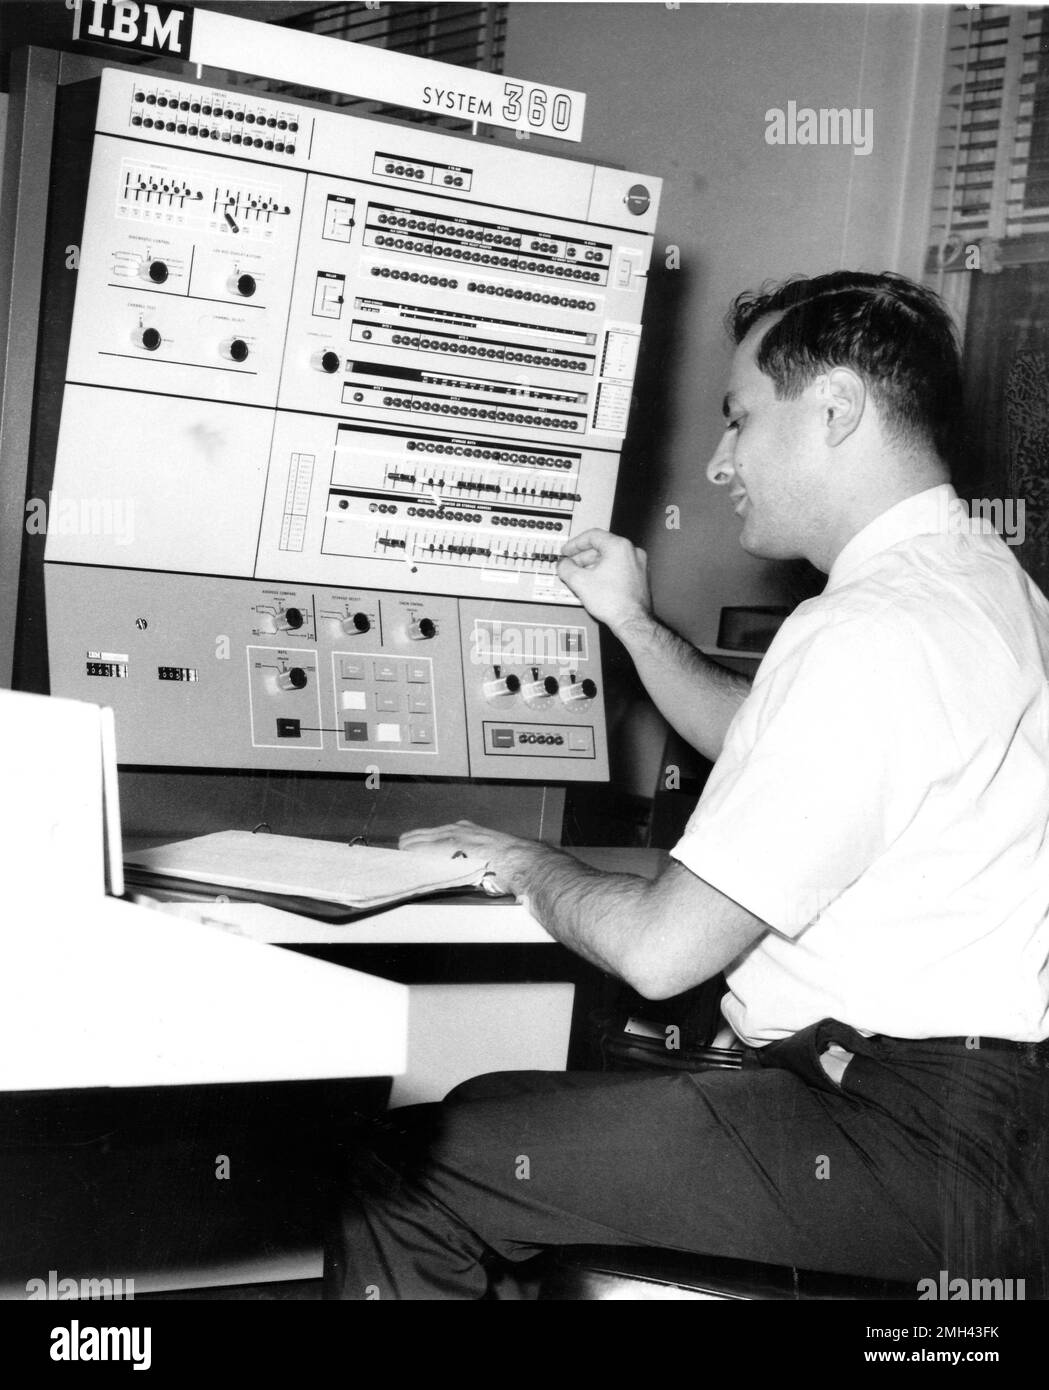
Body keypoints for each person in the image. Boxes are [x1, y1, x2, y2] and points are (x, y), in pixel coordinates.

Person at [324, 270, 1049, 1300]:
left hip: (900, 1131)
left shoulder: (866, 626)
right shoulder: (986, 588)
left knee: (408, 1170)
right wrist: (628, 618)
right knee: (491, 1111)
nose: (717, 461)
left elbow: (658, 956)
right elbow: (767, 737)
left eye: (739, 417)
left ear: (835, 407)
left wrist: (520, 862)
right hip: (991, 1132)